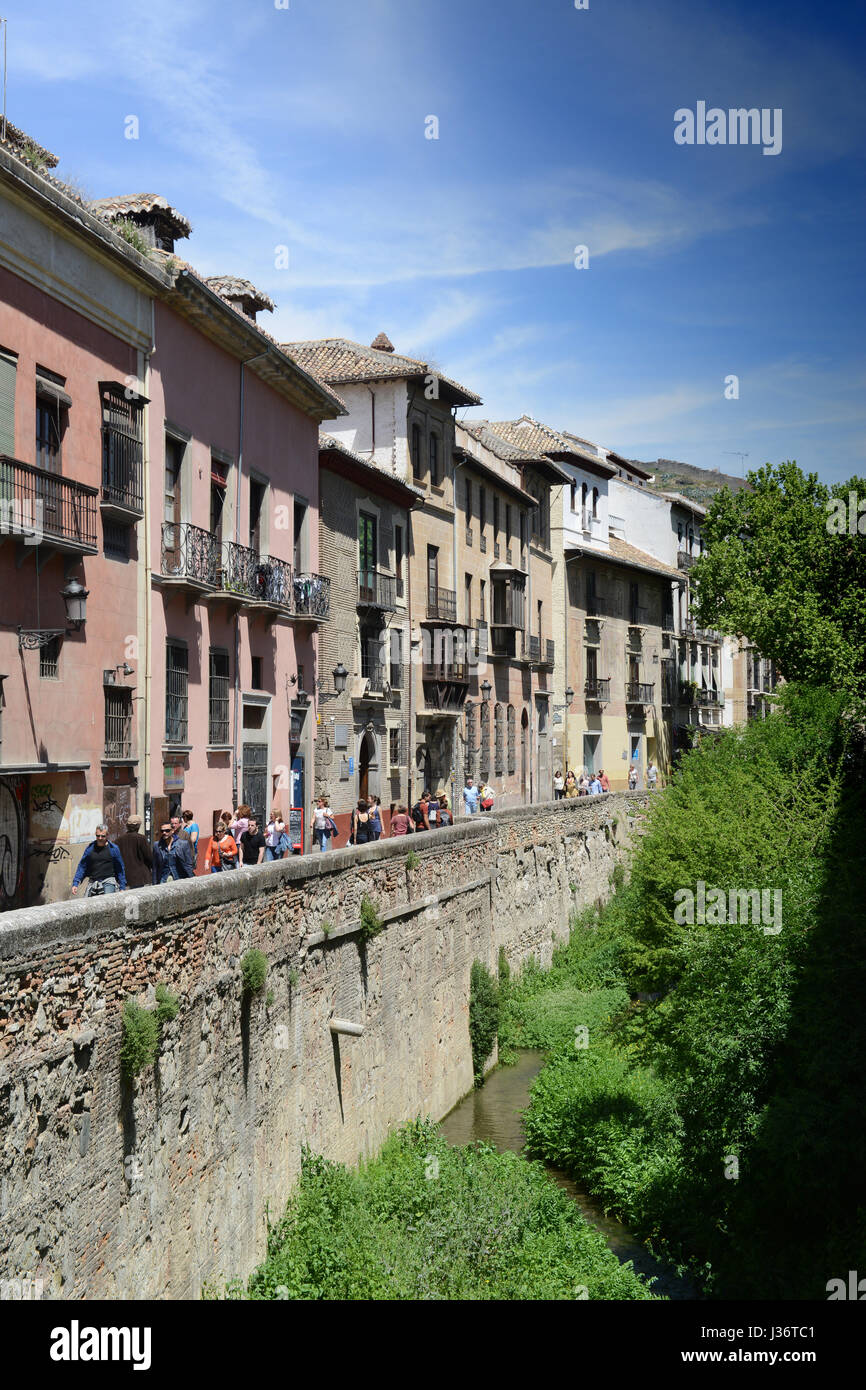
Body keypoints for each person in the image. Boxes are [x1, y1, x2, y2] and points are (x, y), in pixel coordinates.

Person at [71, 825, 127, 896]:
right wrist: (75, 883)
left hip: (109, 881)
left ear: (107, 835)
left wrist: (122, 887)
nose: (100, 838)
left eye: (103, 836)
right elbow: (82, 866)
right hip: (93, 881)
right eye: (98, 836)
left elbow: (120, 869)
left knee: (107, 902)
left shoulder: (113, 849)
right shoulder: (90, 849)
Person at [115, 815, 153, 889]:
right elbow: (149, 857)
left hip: (125, 878)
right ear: (138, 826)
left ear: (127, 826)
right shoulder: (142, 839)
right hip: (140, 878)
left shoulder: (118, 840)